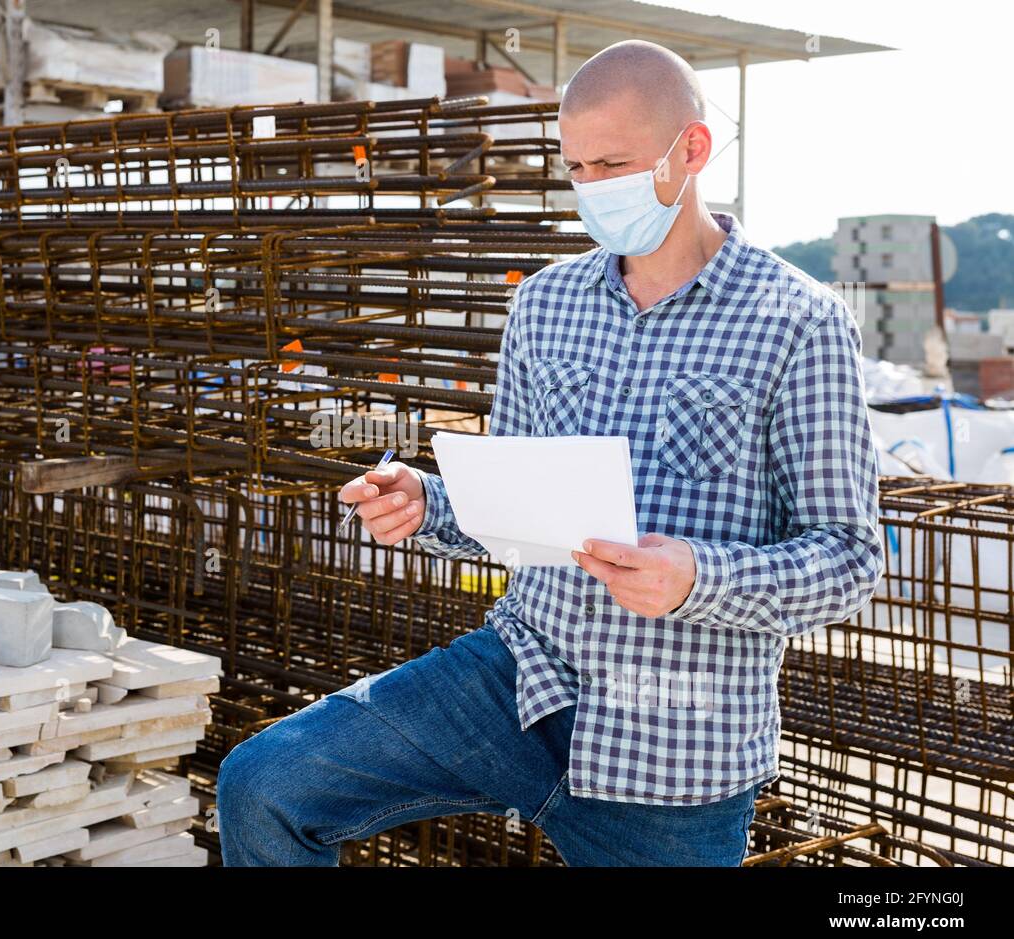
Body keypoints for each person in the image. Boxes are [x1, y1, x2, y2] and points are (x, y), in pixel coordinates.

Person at [216, 39, 883, 866]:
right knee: (265, 784)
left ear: (694, 150)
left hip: (676, 743)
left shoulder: (800, 321)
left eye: (614, 163)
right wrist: (432, 503)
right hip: (522, 676)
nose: (594, 189)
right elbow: (523, 507)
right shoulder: (545, 305)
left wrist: (697, 579)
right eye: (576, 168)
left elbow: (850, 560)